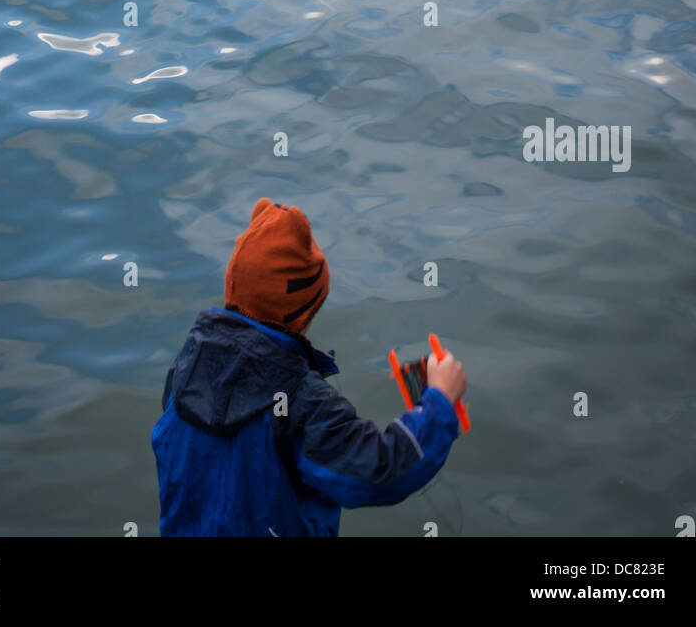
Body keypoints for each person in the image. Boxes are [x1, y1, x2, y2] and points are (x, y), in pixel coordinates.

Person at [151, 197, 467, 536]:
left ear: (233, 286)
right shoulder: (304, 402)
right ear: (305, 314)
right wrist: (438, 401)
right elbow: (381, 472)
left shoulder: (185, 367)